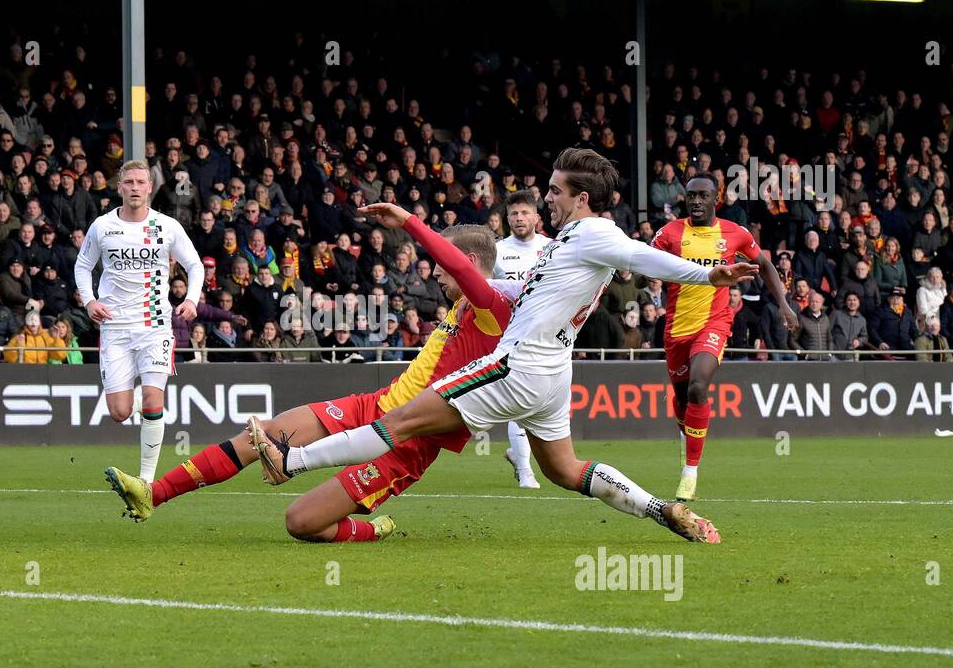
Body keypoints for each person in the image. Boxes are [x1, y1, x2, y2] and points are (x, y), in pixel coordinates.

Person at [254, 149, 758, 545]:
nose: (548, 200)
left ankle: (291, 461)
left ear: (582, 198)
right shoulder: (567, 246)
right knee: (564, 469)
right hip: (551, 377)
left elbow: (641, 256)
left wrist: (708, 274)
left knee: (399, 420)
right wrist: (422, 232)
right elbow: (514, 290)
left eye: (556, 191)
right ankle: (660, 508)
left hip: (516, 367)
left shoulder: (594, 234)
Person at [105, 201, 512, 543]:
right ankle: (152, 494)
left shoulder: (491, 308)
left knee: (300, 522)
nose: (436, 273)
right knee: (259, 435)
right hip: (373, 406)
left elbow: (459, 270)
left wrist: (408, 221)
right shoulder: (462, 307)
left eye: (440, 265)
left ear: (466, 263)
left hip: (407, 443)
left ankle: (371, 531)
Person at [650, 172, 795, 501]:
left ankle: (690, 473)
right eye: (691, 196)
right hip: (676, 328)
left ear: (715, 199)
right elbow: (644, 261)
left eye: (703, 196)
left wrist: (784, 304)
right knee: (683, 397)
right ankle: (687, 437)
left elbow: (766, 265)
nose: (696, 201)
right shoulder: (670, 233)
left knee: (700, 385)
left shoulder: (735, 233)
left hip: (714, 323)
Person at [76, 160, 204, 482]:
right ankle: (141, 399)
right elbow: (82, 266)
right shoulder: (102, 227)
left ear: (149, 188)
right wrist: (89, 300)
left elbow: (195, 265)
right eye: (128, 182)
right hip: (115, 327)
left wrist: (190, 299)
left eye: (140, 182)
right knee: (119, 412)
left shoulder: (168, 226)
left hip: (155, 324)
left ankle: (146, 482)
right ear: (119, 187)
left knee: (152, 399)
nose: (134, 188)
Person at [494, 191, 547, 488]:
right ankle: (526, 470)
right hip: (510, 333)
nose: (519, 218)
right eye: (514, 214)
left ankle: (519, 454)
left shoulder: (551, 248)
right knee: (519, 400)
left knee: (538, 402)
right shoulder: (498, 250)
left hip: (546, 334)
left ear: (536, 217)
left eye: (525, 213)